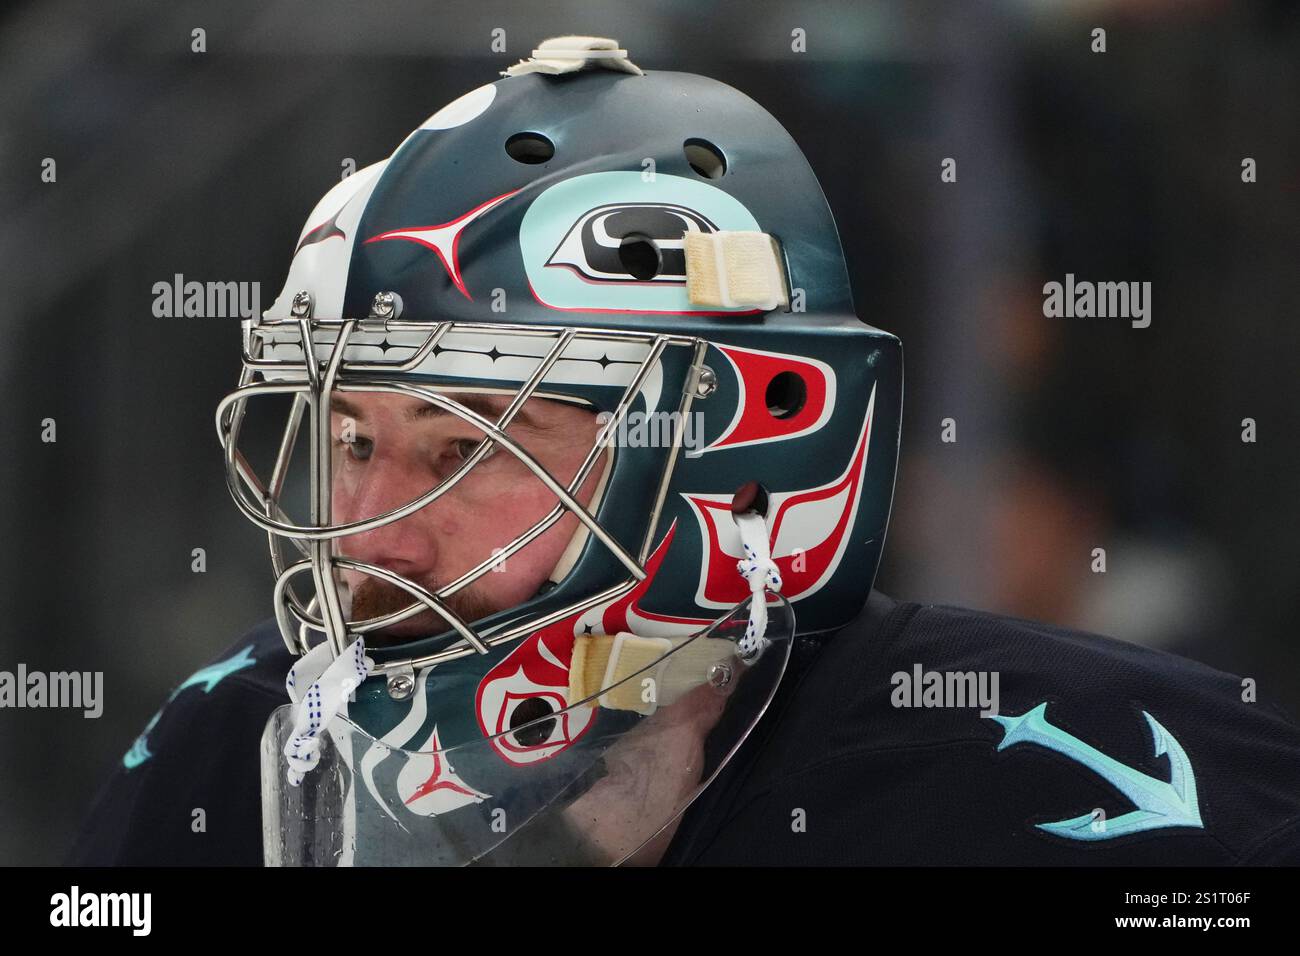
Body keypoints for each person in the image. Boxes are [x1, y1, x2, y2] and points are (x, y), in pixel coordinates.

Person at [69, 36, 1300, 866]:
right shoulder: (228, 743)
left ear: (744, 452)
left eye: (463, 451)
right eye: (351, 439)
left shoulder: (1103, 779)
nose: (375, 537)